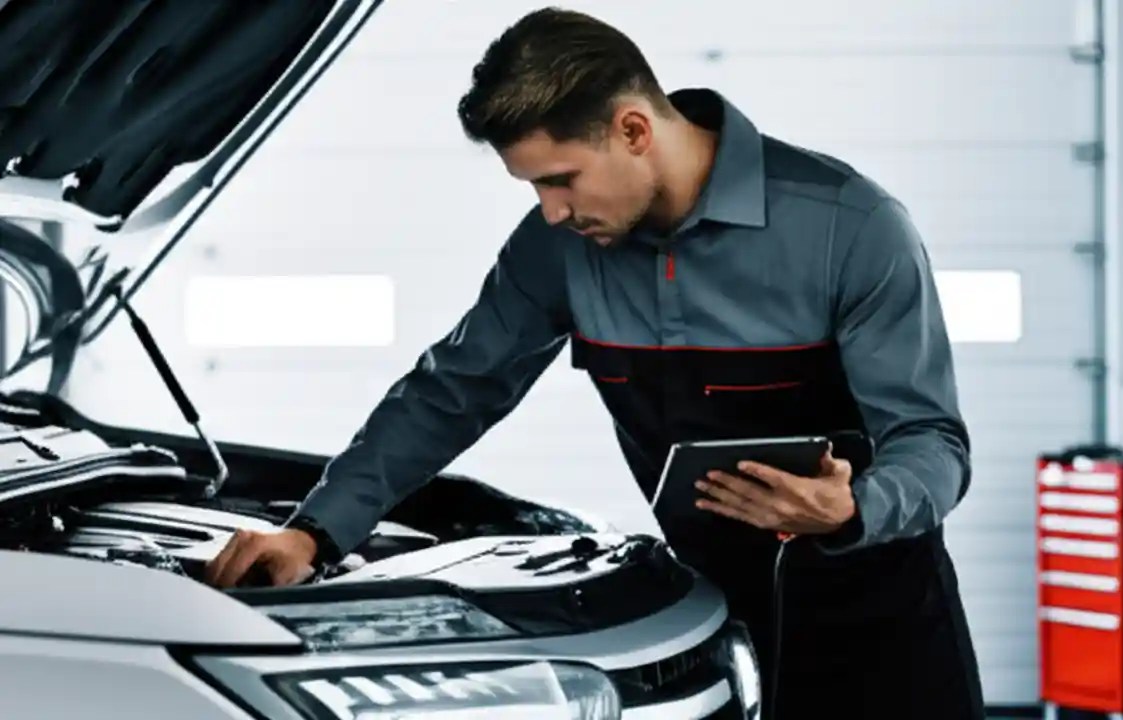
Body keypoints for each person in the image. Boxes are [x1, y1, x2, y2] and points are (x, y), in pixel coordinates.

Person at [205, 7, 984, 718]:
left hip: (883, 631)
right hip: (708, 628)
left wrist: (855, 509)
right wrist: (314, 532)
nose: (550, 212)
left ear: (635, 130)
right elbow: (451, 392)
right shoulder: (558, 248)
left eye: (560, 179)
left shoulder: (850, 228)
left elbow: (934, 444)